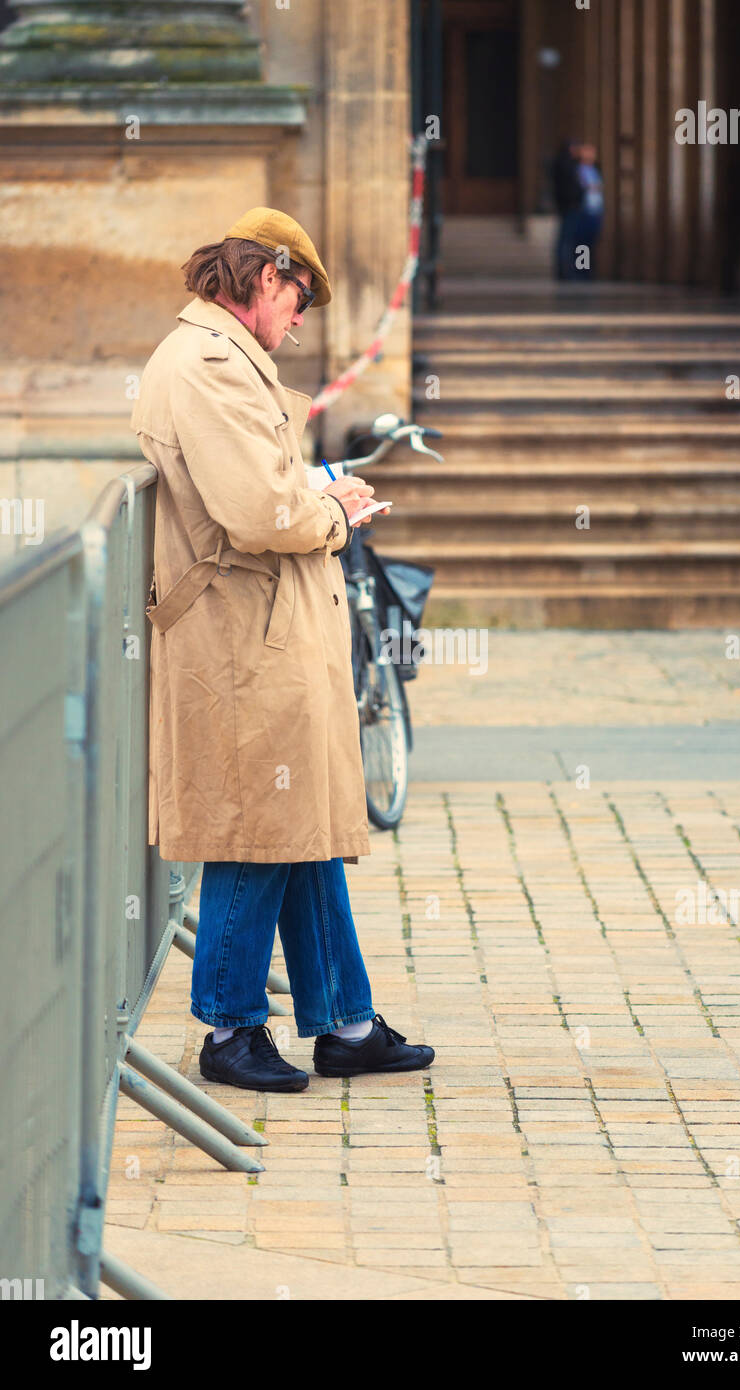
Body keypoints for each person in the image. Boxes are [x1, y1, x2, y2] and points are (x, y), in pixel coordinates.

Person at [131, 207, 435, 1091]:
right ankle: (229, 1030)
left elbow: (254, 488)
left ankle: (343, 1021)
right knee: (249, 828)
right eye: (299, 296)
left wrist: (316, 487)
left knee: (291, 822)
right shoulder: (210, 364)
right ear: (267, 277)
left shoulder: (213, 356)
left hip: (254, 625)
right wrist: (332, 509)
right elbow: (258, 513)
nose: (302, 317)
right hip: (240, 636)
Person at [553, 140, 604, 281]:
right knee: (580, 244)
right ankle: (580, 271)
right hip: (583, 210)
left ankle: (586, 271)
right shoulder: (576, 169)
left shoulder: (595, 169)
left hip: (595, 210)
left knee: (589, 243)